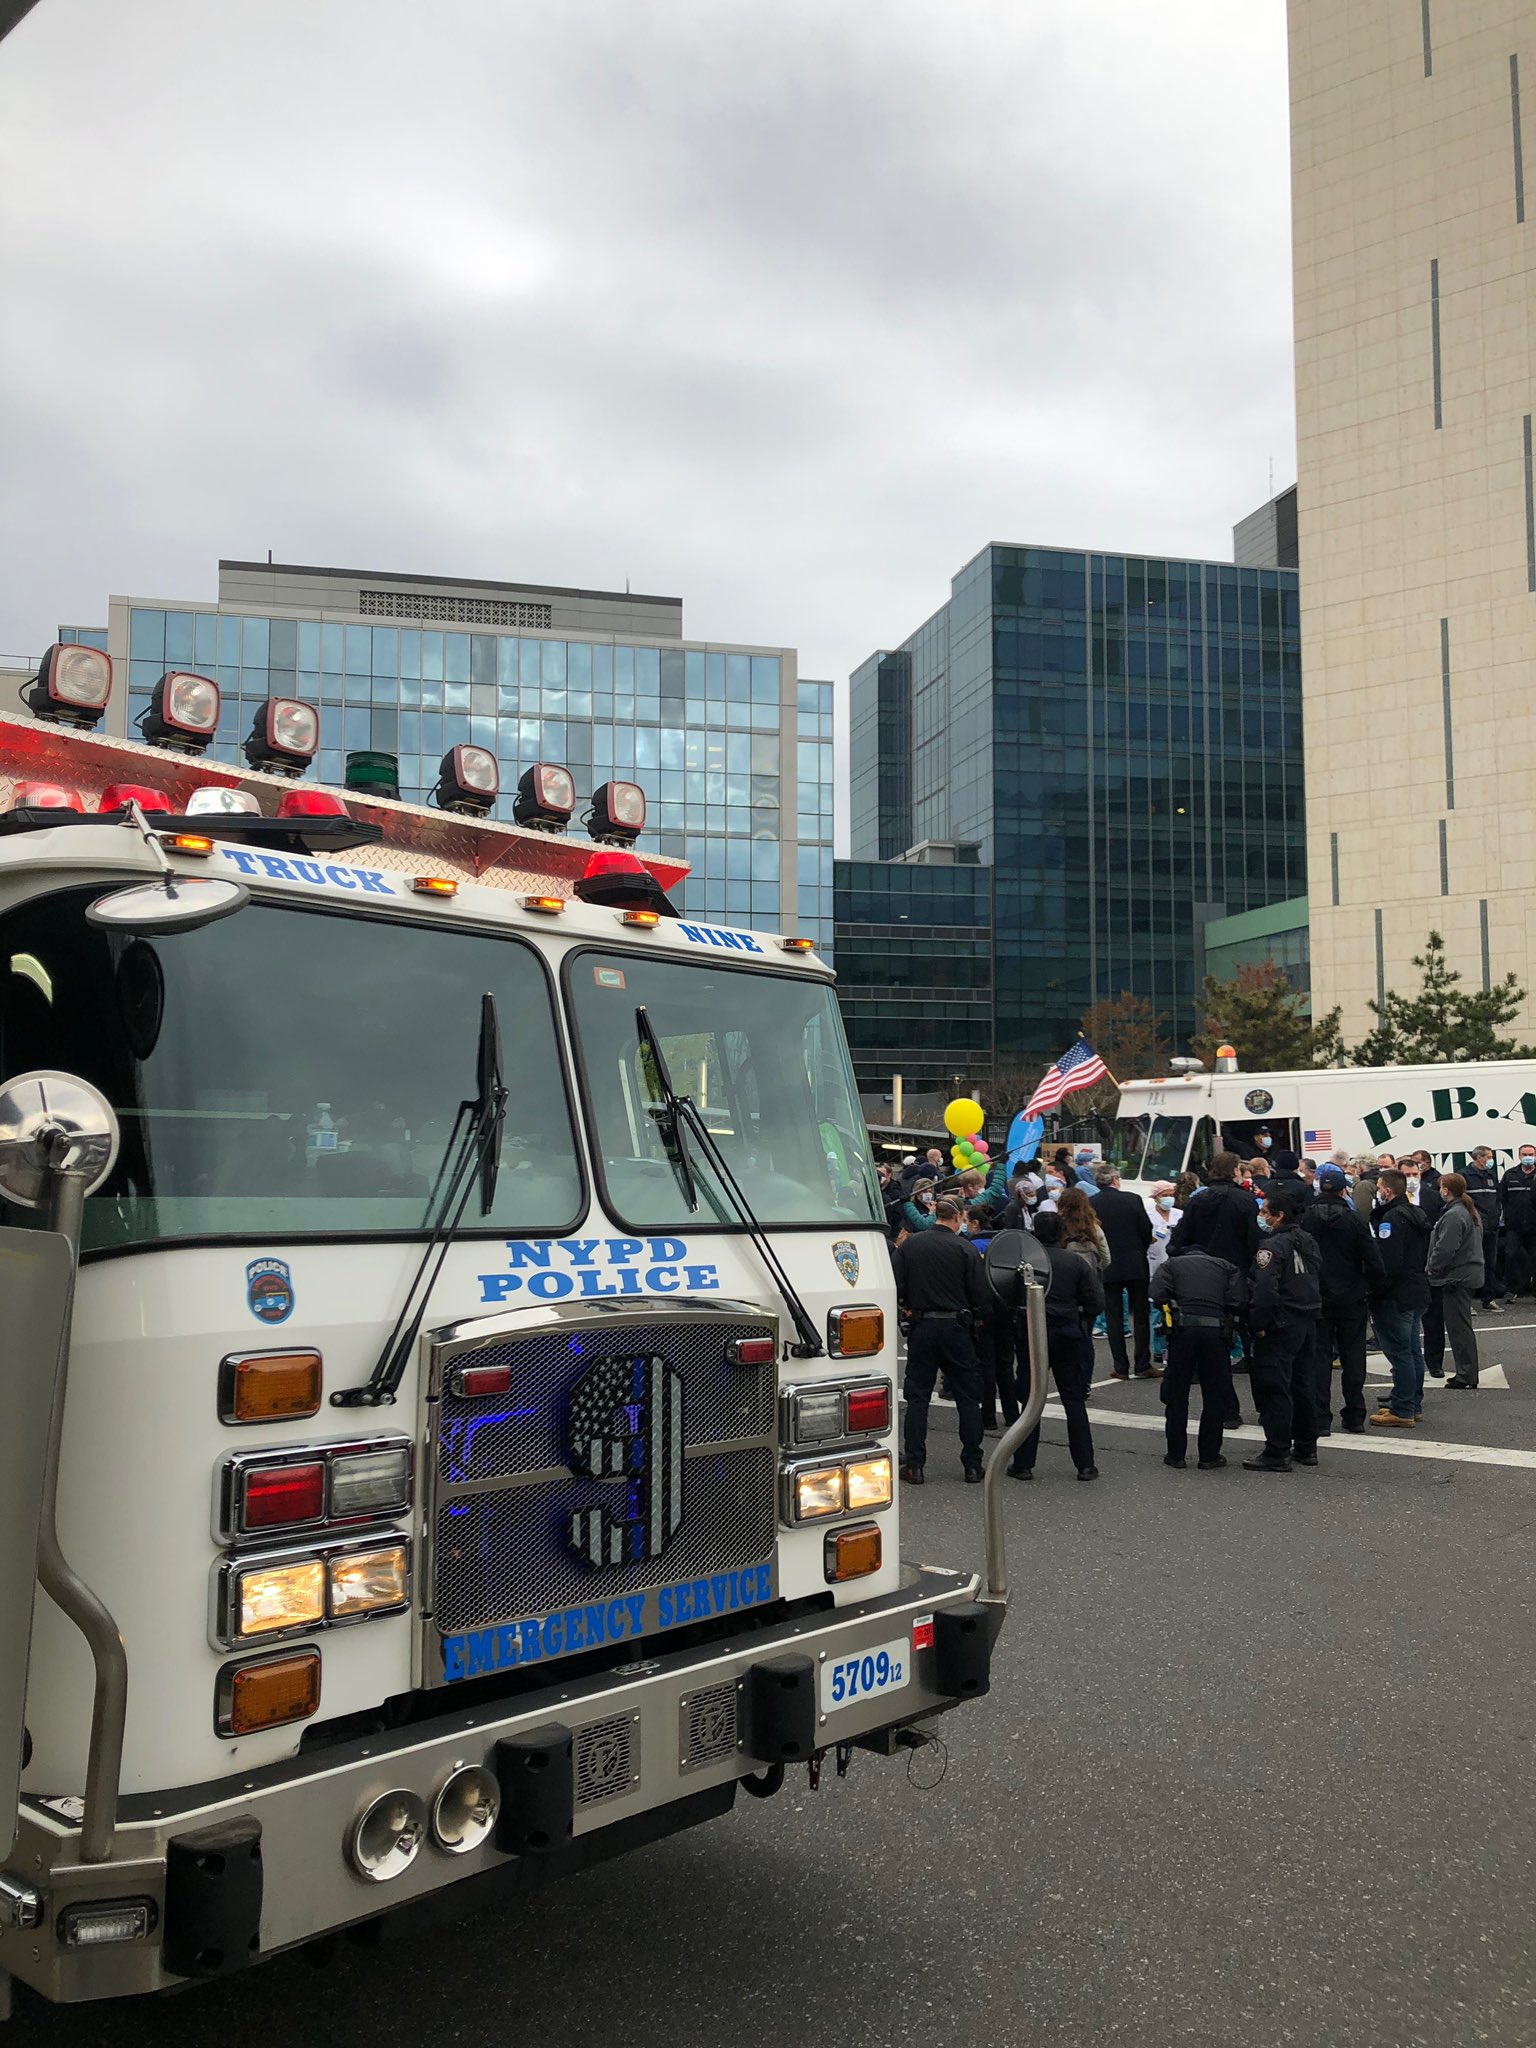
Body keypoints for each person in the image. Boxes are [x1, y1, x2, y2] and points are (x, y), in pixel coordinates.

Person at [892, 1196, 989, 1484]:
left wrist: (908, 1306)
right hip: (957, 1327)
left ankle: (915, 1464)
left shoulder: (910, 1245)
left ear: (935, 1213)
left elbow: (896, 1284)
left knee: (918, 1396)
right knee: (968, 1398)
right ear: (958, 1217)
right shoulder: (965, 1248)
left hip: (922, 1326)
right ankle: (972, 1464)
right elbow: (981, 1295)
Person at [1005, 1211, 1099, 1482]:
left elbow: (1009, 1296)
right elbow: (1096, 1302)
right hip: (1068, 1332)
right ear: (1062, 1233)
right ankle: (1085, 1465)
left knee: (1031, 1400)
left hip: (1033, 1331)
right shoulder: (1076, 1262)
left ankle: (1023, 1464)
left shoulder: (1025, 1264)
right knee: (1074, 1400)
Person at [1243, 1189, 1323, 1471]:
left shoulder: (1272, 1246)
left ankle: (1277, 1450)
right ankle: (1305, 1445)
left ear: (1279, 1216)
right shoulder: (1306, 1240)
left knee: (1274, 1385)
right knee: (1303, 1383)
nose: (1261, 1217)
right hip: (1307, 1318)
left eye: (1266, 1212)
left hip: (1282, 1321)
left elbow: (1265, 1289)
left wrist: (1259, 1323)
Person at [1151, 1240, 1247, 1468]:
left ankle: (1176, 1455)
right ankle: (1209, 1456)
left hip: (1182, 1332)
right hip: (1215, 1333)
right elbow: (1238, 1301)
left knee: (1177, 1393)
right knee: (1215, 1394)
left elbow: (1157, 1294)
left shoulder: (1171, 1265)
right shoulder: (1226, 1266)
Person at [1307, 1162, 1386, 1432]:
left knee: (1318, 1359)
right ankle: (1354, 1414)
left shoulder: (1306, 1219)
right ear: (1344, 1191)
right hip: (1352, 1295)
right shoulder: (1355, 1221)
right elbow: (1373, 1260)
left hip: (1316, 1295)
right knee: (1354, 1357)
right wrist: (1373, 1288)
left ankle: (1319, 1417)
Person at [1368, 1168, 1432, 1428]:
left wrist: (1376, 1288)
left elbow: (1389, 1262)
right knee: (1413, 1351)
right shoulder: (1417, 1213)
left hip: (1397, 1293)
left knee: (1400, 1353)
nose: (1377, 1192)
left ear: (1387, 1190)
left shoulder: (1391, 1219)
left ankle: (1403, 1408)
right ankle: (1411, 1403)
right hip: (1417, 1287)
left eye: (1379, 1187)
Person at [1091, 1162, 1156, 1378]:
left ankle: (1120, 1366)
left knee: (1114, 1316)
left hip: (1108, 1264)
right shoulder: (1132, 1199)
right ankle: (1142, 1363)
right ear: (1116, 1180)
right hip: (1135, 1261)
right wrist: (1141, 1247)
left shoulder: (1092, 1203)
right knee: (1140, 1315)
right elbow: (1146, 1229)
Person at [1426, 1173, 1484, 1389]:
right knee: (1460, 1327)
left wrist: (1432, 1268)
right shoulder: (1467, 1211)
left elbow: (1446, 1248)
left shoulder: (1454, 1215)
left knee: (1459, 1329)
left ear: (1446, 1190)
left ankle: (1466, 1374)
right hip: (1466, 1275)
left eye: (1441, 1187)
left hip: (1456, 1278)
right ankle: (1466, 1372)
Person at [1169, 1151, 1261, 1267]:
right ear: (1235, 1171)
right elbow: (1254, 1239)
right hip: (1236, 1268)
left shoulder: (1197, 1199)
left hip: (1201, 1267)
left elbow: (1181, 1236)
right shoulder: (1247, 1200)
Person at [1463, 1144, 1501, 1311]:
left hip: (1492, 1227)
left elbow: (1497, 1199)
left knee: (1490, 1263)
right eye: (1489, 1157)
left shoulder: (1491, 1174)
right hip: (1475, 1227)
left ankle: (1488, 1299)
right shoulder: (1464, 1175)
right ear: (1479, 1158)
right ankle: (1467, 1301)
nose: (1491, 1160)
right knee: (1471, 1263)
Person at [1497, 1143, 1536, 1301]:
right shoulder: (1510, 1175)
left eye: (1531, 1154)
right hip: (1514, 1225)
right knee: (1511, 1256)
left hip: (1534, 1226)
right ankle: (1510, 1291)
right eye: (1524, 1154)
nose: (1528, 1157)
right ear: (1519, 1156)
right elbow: (1502, 1198)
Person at [1056, 1184, 1110, 1271]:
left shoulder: (1057, 1226)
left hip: (1065, 1274)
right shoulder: (1094, 1228)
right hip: (1089, 1276)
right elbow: (1106, 1258)